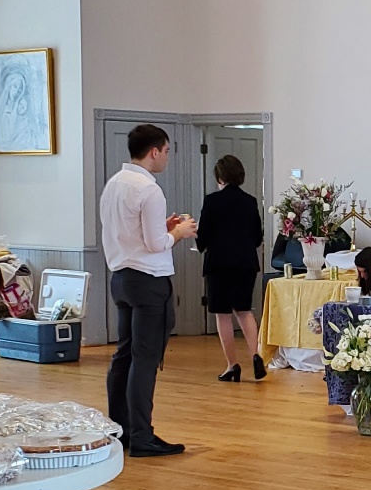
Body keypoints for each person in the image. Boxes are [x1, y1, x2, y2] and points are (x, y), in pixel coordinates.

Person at [99, 123, 196, 455]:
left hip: (121, 278)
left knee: (124, 355)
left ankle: (120, 431)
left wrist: (165, 228)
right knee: (145, 359)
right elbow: (157, 244)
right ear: (154, 151)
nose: (167, 158)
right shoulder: (149, 189)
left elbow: (129, 232)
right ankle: (142, 436)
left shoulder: (114, 184)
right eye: (167, 151)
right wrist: (179, 232)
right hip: (148, 281)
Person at [197, 154, 266, 381]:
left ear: (220, 176)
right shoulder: (250, 201)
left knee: (223, 315)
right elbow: (257, 237)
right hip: (246, 263)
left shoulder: (212, 201)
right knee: (244, 311)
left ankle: (232, 365)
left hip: (219, 264)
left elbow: (202, 238)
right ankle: (255, 355)